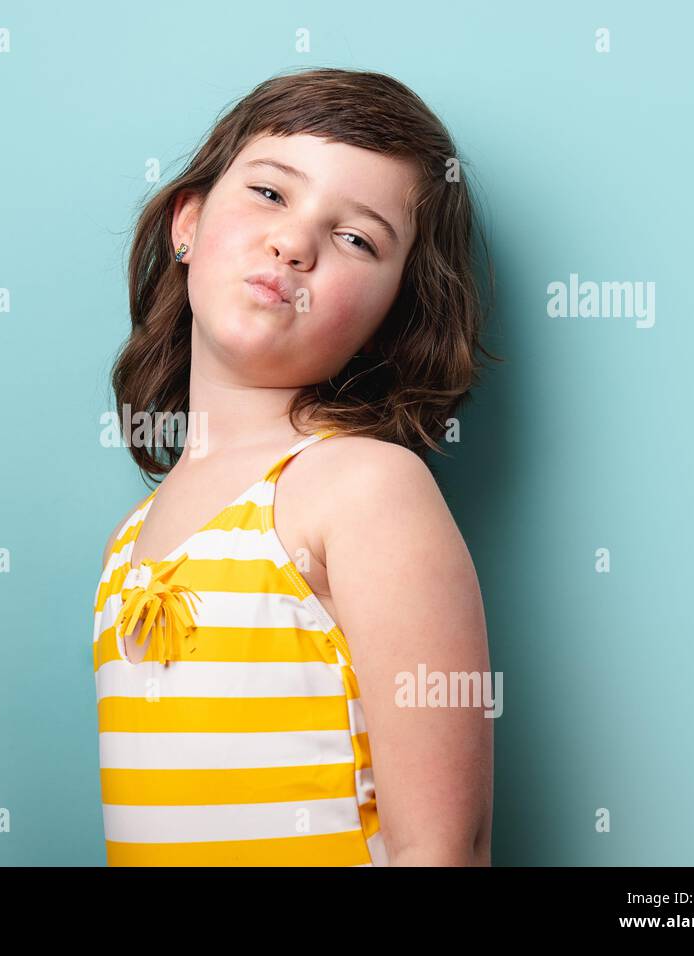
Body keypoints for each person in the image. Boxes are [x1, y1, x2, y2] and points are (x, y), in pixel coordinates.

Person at [92, 67, 500, 866]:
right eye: (272, 195)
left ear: (392, 318)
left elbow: (445, 850)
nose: (295, 242)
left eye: (357, 238)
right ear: (190, 221)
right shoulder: (128, 544)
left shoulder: (365, 490)